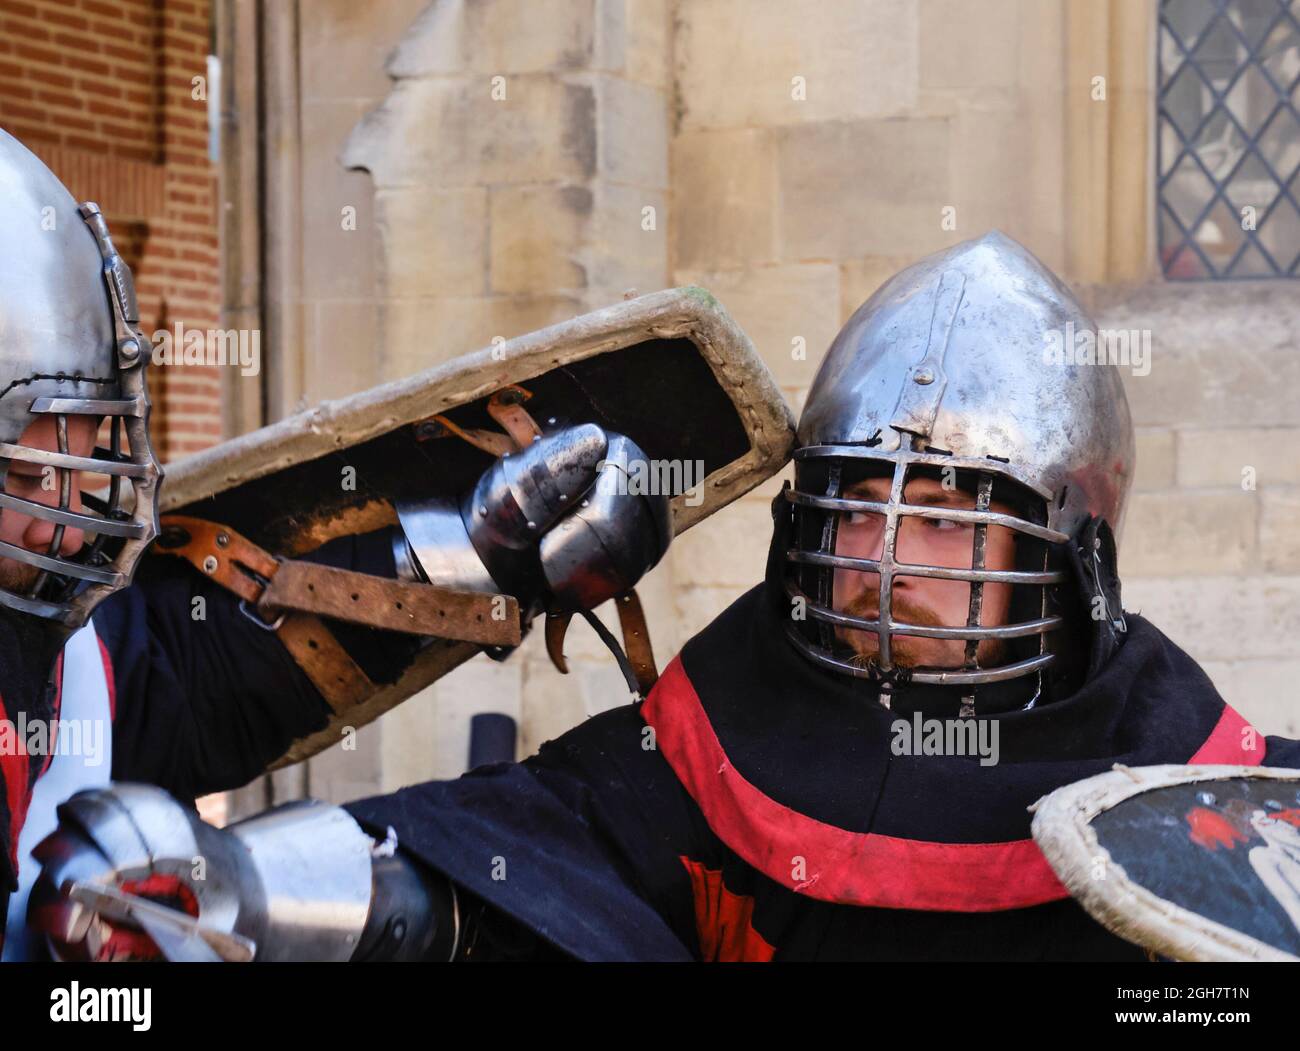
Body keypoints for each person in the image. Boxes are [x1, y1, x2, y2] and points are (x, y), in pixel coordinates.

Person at [32, 231, 1299, 962]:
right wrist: (252, 892)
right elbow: (519, 859)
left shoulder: (1212, 808)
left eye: (951, 517)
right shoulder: (719, 736)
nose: (880, 552)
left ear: (1069, 550)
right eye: (860, 501)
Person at [0, 128, 667, 960]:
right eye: (30, 475)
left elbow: (179, 677)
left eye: (82, 460)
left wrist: (466, 549)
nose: (63, 523)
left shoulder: (44, 634)